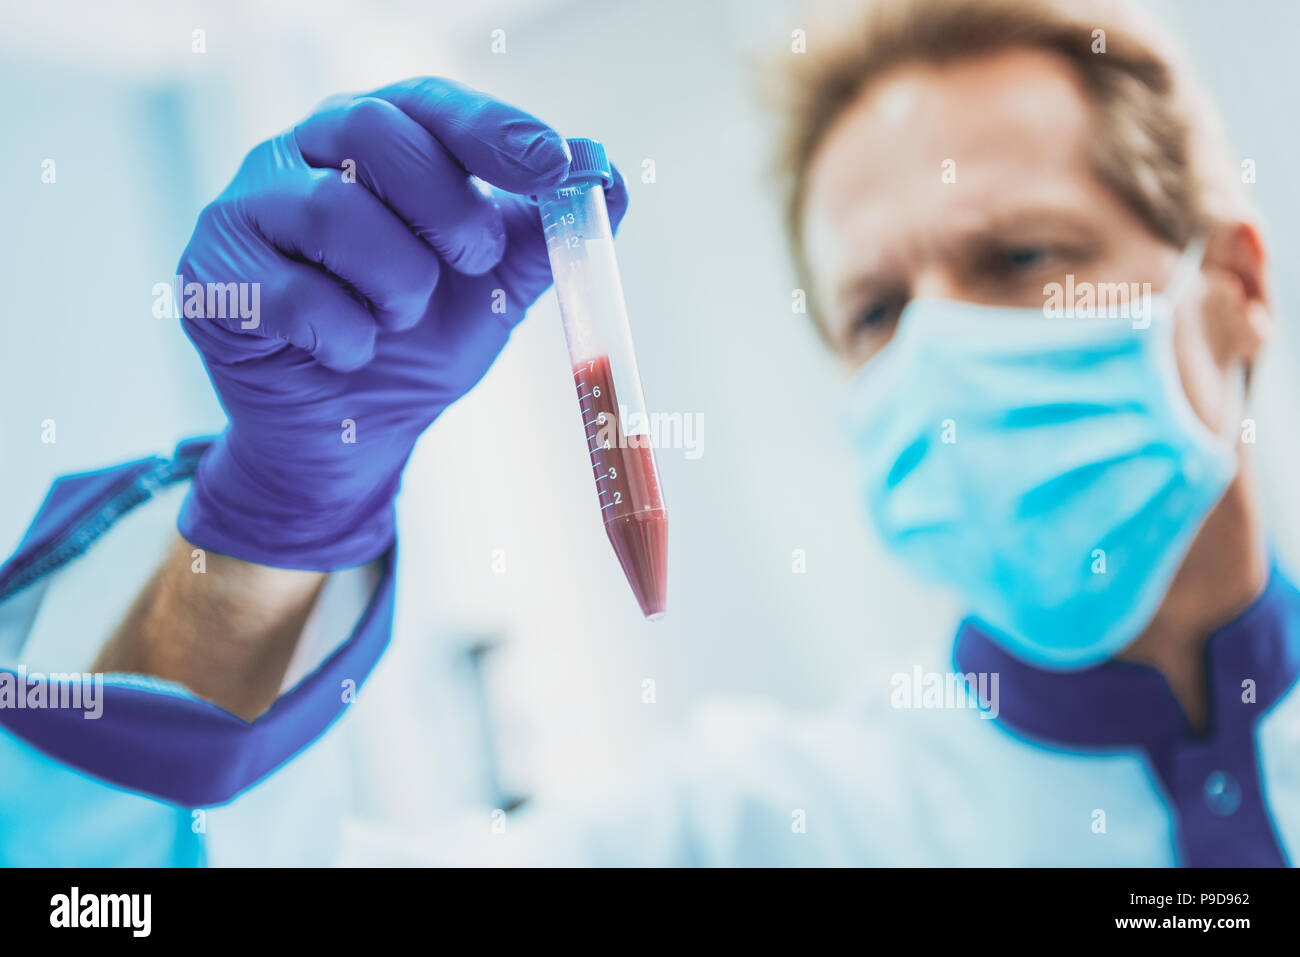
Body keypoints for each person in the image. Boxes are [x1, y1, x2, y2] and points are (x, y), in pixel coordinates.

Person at [1, 0, 1295, 866]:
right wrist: (270, 522)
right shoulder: (744, 832)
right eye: (876, 310)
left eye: (1020, 254)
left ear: (1236, 286)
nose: (938, 353)